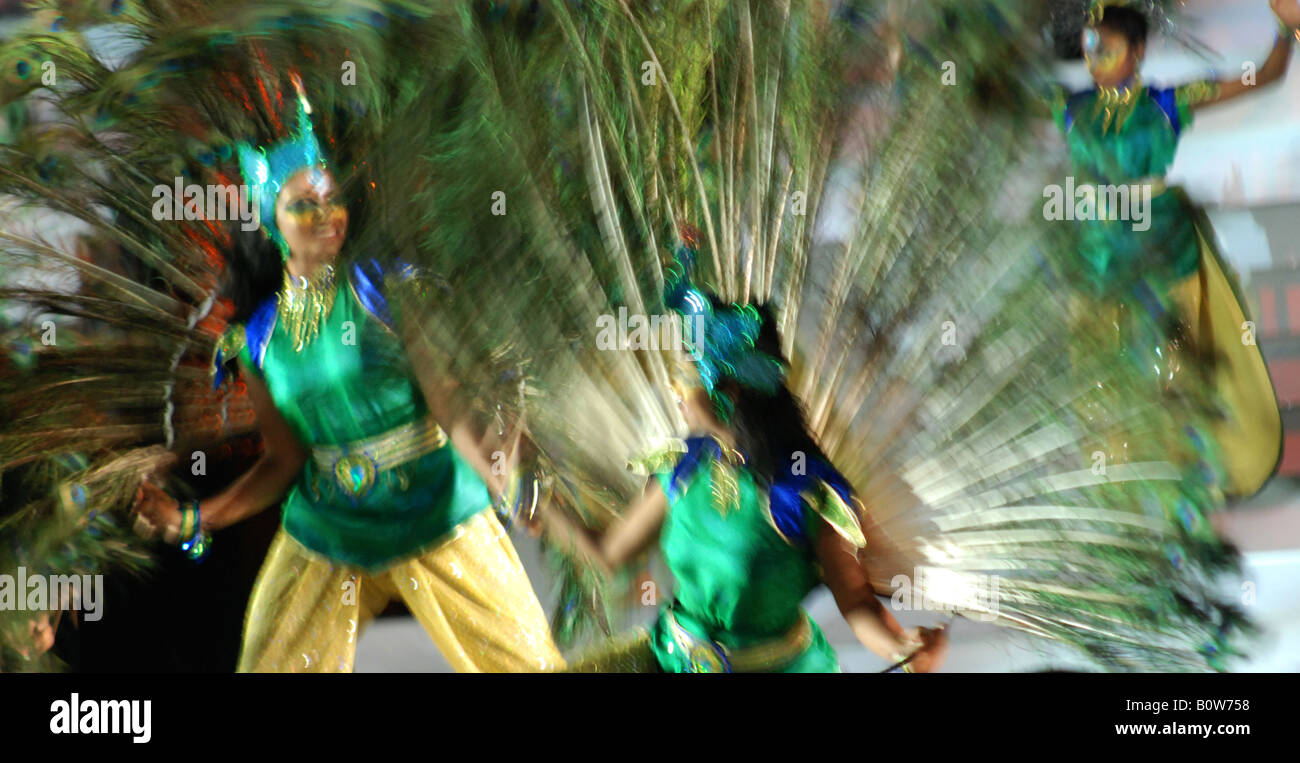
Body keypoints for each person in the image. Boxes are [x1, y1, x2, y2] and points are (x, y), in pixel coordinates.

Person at [133, 101, 564, 673]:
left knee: (530, 663)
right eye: (303, 205)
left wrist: (501, 472)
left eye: (332, 199)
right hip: (330, 527)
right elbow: (284, 461)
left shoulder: (388, 291)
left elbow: (448, 403)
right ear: (272, 222)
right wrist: (194, 517)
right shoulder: (255, 342)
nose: (326, 214)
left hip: (434, 507)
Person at [539, 271, 948, 673]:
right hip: (673, 661)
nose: (678, 397)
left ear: (728, 393)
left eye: (687, 380)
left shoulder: (804, 493)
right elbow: (608, 556)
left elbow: (857, 603)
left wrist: (902, 647)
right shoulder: (681, 468)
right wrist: (534, 495)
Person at [1050, 0, 1297, 499]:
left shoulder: (1166, 105)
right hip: (1101, 257)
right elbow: (996, 93)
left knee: (1176, 367)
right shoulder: (1071, 109)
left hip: (1164, 250)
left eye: (1109, 47)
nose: (1095, 58)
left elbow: (1263, 78)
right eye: (1089, 48)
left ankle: (1189, 475)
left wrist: (1286, 27)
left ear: (1138, 51)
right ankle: (1121, 487)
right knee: (1106, 374)